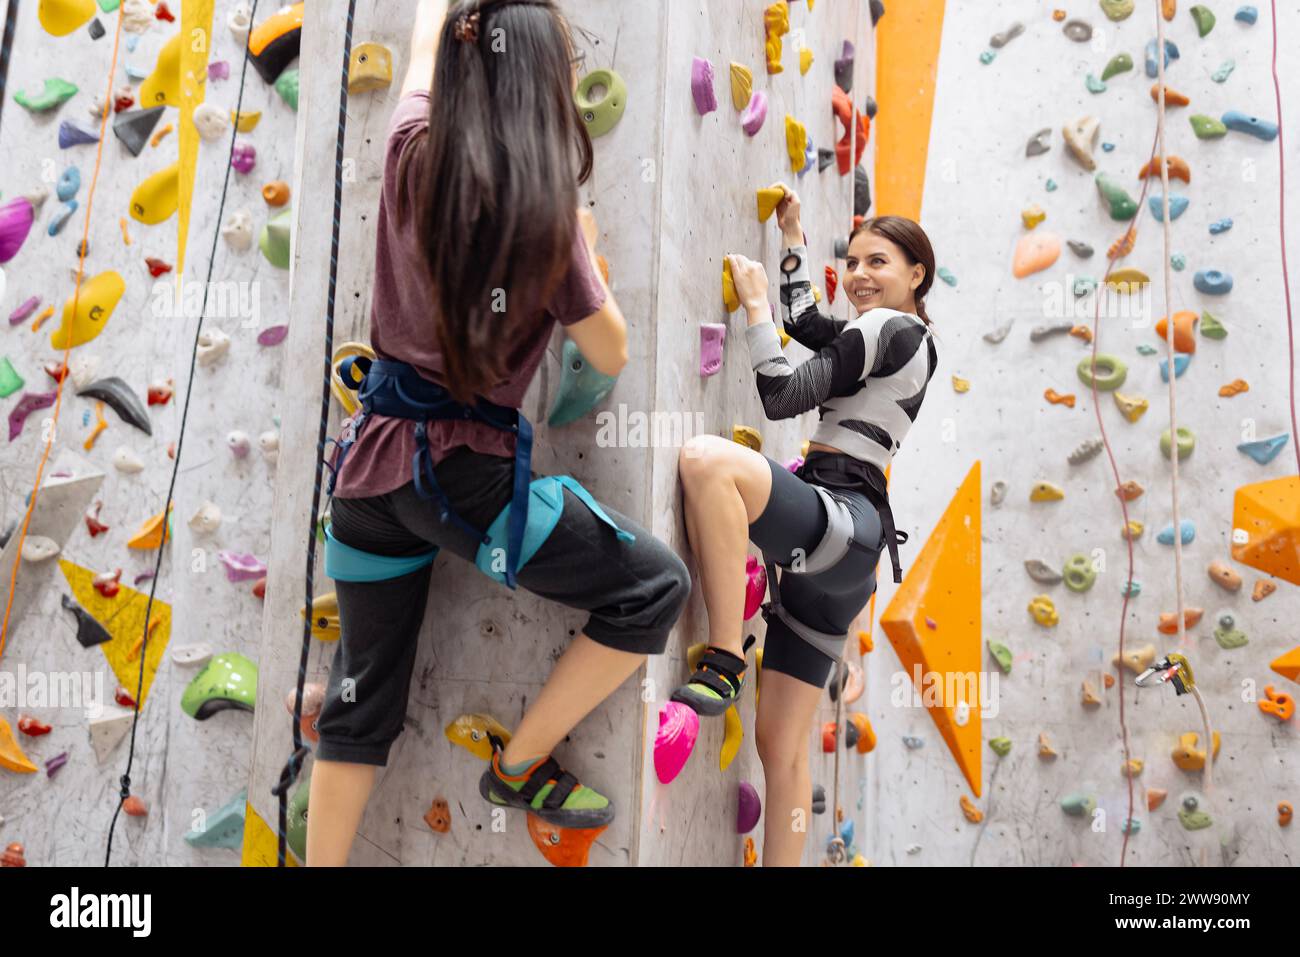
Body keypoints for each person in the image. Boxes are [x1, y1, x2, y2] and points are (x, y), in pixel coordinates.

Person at [306, 0, 690, 865]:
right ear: (548, 89)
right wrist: (585, 249)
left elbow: (420, 49)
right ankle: (516, 766)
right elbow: (612, 348)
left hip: (366, 473)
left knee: (358, 701)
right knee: (655, 588)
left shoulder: (409, 143)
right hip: (466, 487)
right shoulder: (544, 220)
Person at [673, 185, 939, 865]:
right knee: (782, 752)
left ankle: (727, 654)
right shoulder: (895, 338)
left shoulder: (887, 328)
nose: (858, 274)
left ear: (917, 274)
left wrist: (754, 304)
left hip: (839, 521)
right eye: (851, 261)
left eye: (878, 261)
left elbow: (782, 392)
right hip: (844, 556)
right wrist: (792, 237)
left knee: (708, 463)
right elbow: (809, 324)